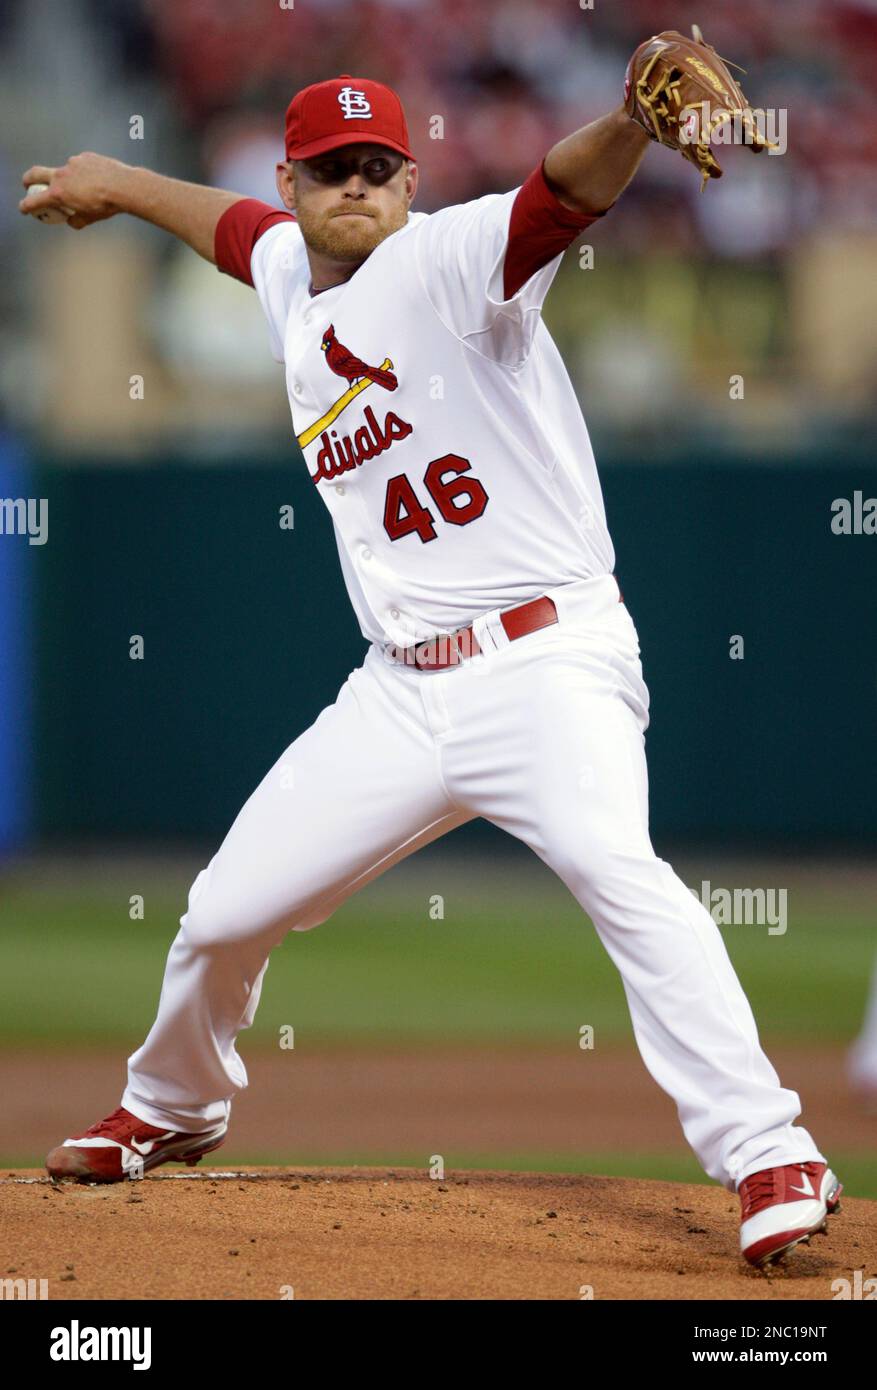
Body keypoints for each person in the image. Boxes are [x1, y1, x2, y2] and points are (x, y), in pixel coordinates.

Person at [24, 68, 841, 1269]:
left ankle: (771, 1150)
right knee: (222, 912)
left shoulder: (456, 260)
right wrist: (118, 182)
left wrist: (626, 124)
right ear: (292, 182)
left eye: (376, 167)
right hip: (399, 689)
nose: (354, 186)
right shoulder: (290, 271)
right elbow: (232, 232)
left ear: (409, 181)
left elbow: (557, 198)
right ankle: (173, 1104)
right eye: (330, 169)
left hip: (544, 656)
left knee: (620, 869)